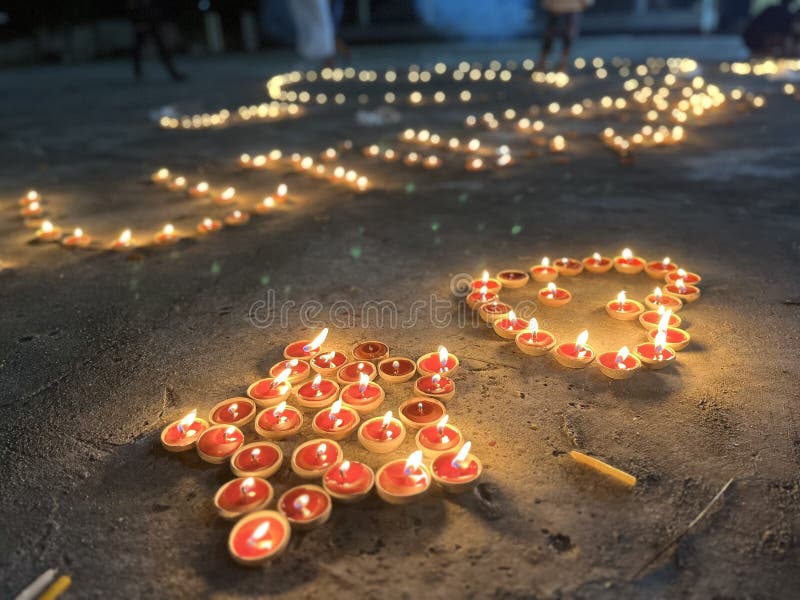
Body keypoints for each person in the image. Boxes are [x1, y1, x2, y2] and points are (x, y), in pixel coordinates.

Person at [128, 0, 185, 81]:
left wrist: (155, 22)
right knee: (137, 51)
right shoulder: (135, 2)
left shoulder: (152, 3)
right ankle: (138, 73)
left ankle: (173, 72)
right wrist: (137, 23)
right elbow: (132, 11)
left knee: (162, 49)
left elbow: (157, 10)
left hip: (152, 25)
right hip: (140, 27)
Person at [538, 0, 593, 72]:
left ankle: (563, 63)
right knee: (550, 35)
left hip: (573, 6)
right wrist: (548, 3)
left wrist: (586, 2)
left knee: (569, 35)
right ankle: (543, 61)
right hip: (555, 6)